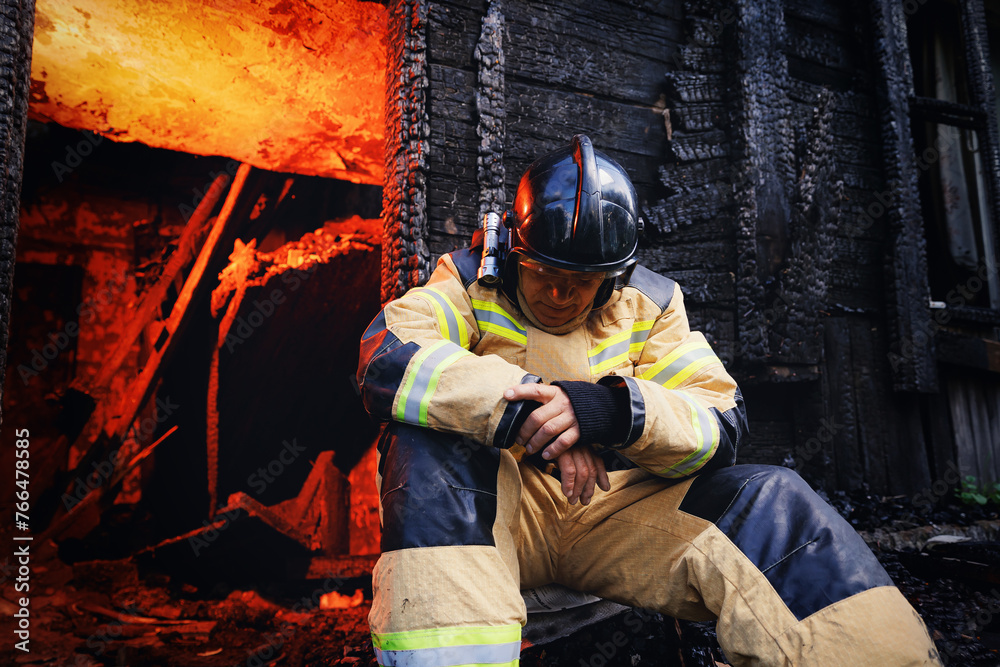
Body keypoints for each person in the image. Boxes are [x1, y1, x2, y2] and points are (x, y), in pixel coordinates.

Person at [356, 134, 940, 666]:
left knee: (773, 499)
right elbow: (388, 355)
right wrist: (538, 416)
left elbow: (719, 420)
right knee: (422, 447)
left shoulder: (652, 305)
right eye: (544, 272)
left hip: (614, 513)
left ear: (613, 275)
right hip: (498, 511)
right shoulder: (463, 283)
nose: (560, 293)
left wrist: (610, 414)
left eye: (582, 281)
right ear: (514, 248)